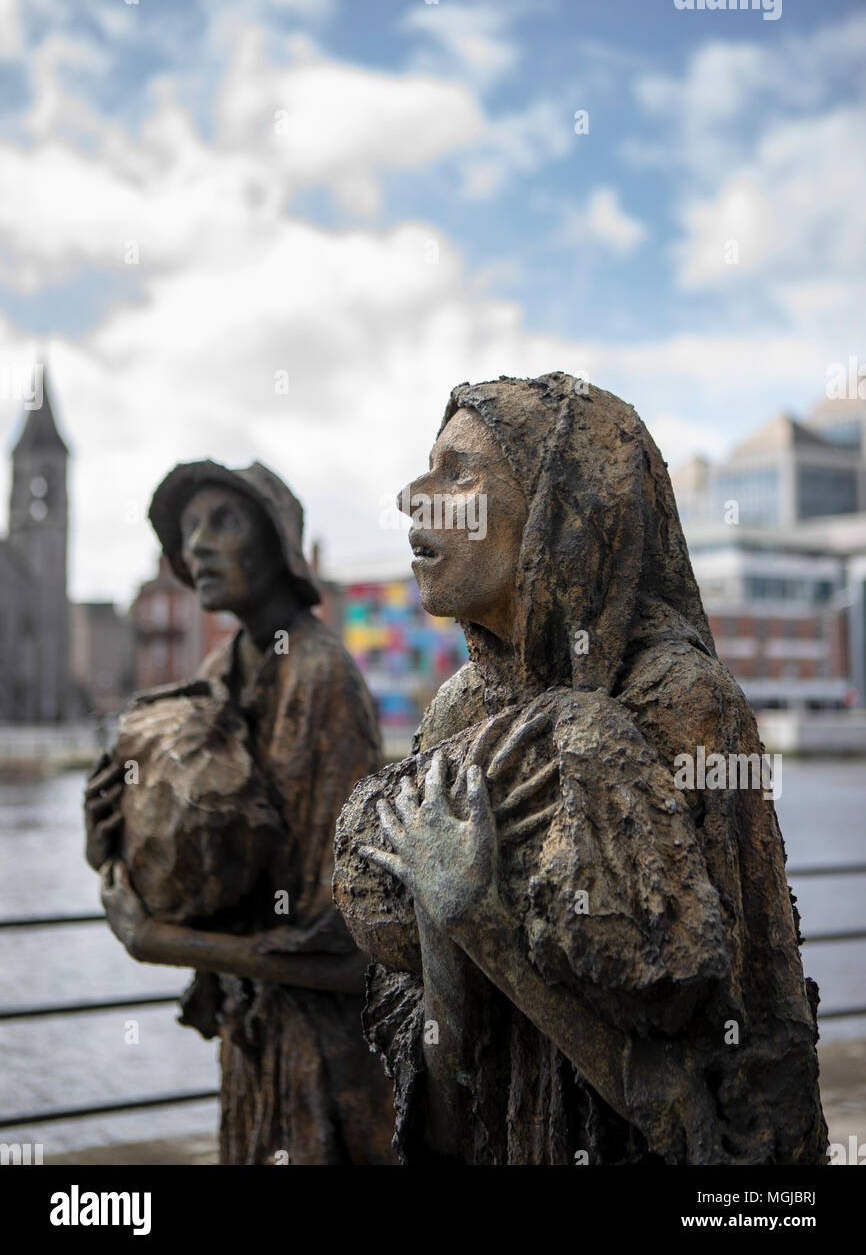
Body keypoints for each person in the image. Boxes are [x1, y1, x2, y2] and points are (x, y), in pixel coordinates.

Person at [333, 373, 829, 1165]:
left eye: (460, 473)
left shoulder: (681, 701)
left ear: (563, 510)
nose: (412, 496)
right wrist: (440, 928)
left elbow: (704, 1104)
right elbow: (447, 1099)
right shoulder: (460, 712)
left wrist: (478, 924)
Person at [85, 460, 394, 1165]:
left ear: (280, 544)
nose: (198, 544)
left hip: (325, 1058)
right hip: (250, 1037)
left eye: (224, 522)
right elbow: (216, 874)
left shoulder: (322, 679)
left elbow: (346, 951)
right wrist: (114, 845)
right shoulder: (221, 672)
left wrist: (157, 941)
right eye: (189, 529)